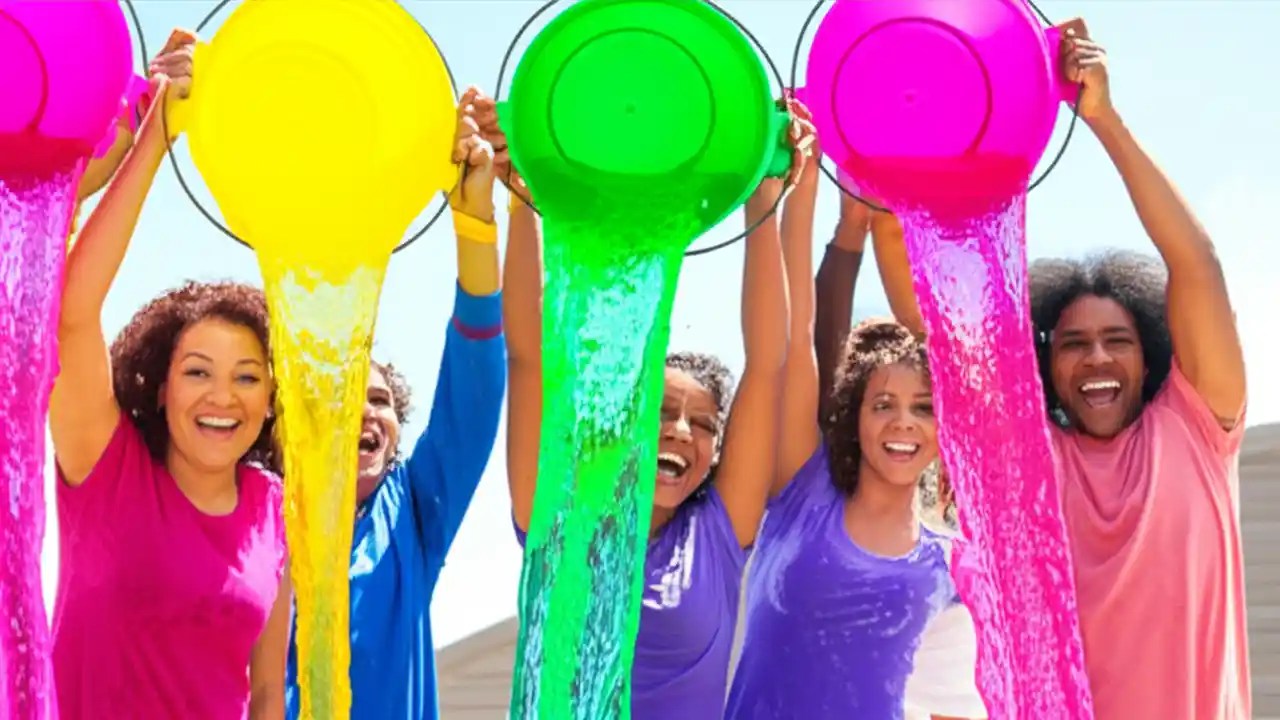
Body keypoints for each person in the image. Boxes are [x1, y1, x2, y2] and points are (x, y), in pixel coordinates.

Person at [870, 20, 1248, 720]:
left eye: (1117, 341)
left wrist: (1104, 119)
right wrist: (885, 154)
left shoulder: (1198, 429)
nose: (1097, 358)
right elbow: (934, 319)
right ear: (1048, 361)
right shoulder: (1030, 458)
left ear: (1153, 355)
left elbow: (1199, 264)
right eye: (1073, 343)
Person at [497, 102, 811, 716]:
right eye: (662, 414)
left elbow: (767, 362)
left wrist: (765, 200)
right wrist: (520, 204)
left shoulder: (719, 532)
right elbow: (528, 358)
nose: (681, 433)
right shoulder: (560, 514)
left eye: (703, 426)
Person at [50, 29, 290, 720]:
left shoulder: (274, 508)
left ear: (272, 401)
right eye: (198, 372)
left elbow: (269, 692)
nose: (223, 397)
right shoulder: (106, 462)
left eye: (248, 377)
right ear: (159, 384)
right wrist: (157, 134)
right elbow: (70, 313)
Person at [725, 120, 984, 718]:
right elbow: (795, 340)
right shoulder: (802, 491)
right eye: (883, 405)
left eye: (924, 409)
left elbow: (955, 708)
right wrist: (803, 183)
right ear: (853, 417)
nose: (903, 424)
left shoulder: (952, 563)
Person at [281, 87, 507, 720]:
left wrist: (473, 224)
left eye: (378, 400)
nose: (363, 414)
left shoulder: (410, 511)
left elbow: (476, 390)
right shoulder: (259, 508)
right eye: (341, 398)